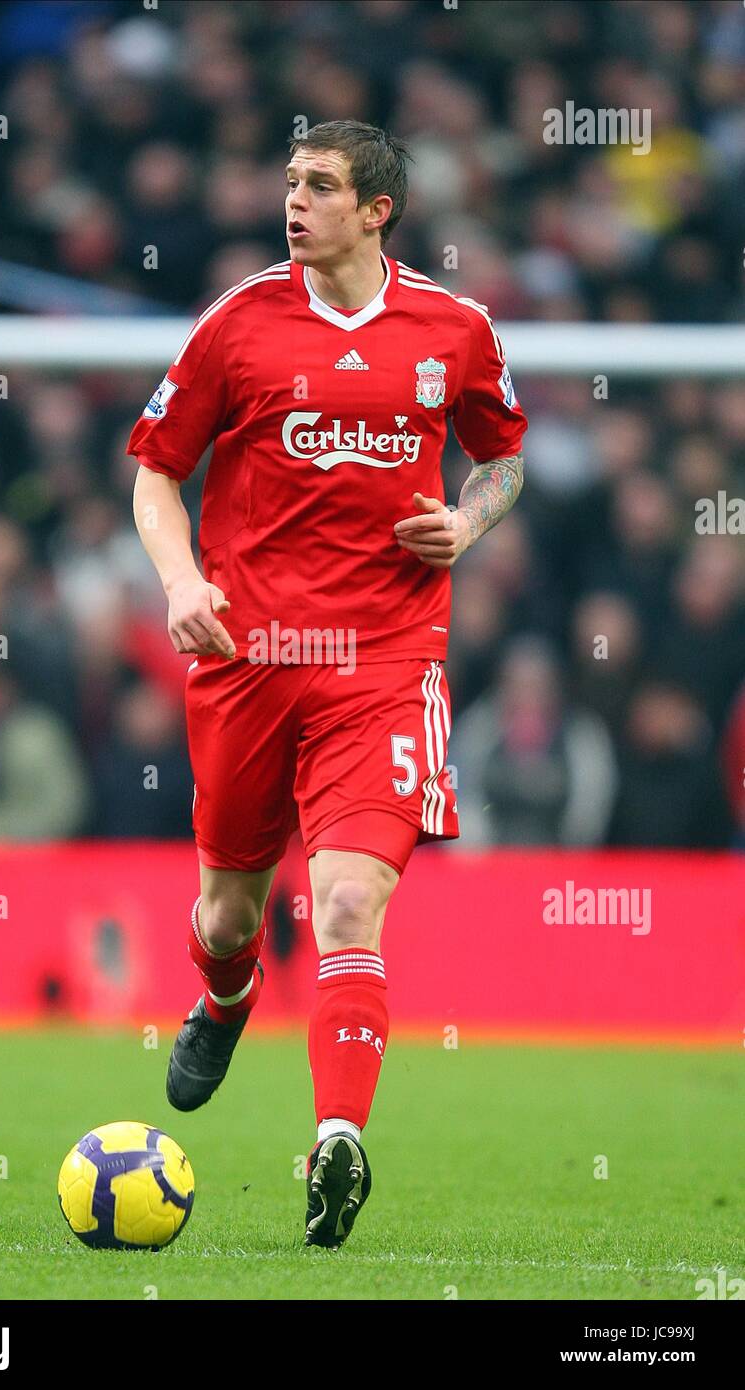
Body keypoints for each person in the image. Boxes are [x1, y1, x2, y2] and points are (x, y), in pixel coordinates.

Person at [126, 120, 527, 1248]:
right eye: (288, 182)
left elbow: (501, 455)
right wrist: (178, 581)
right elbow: (156, 470)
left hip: (384, 660)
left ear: (376, 209)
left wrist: (467, 520)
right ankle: (224, 995)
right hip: (246, 661)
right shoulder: (237, 322)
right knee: (227, 910)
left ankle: (338, 1140)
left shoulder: (454, 330)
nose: (291, 201)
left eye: (318, 185)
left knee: (349, 901)